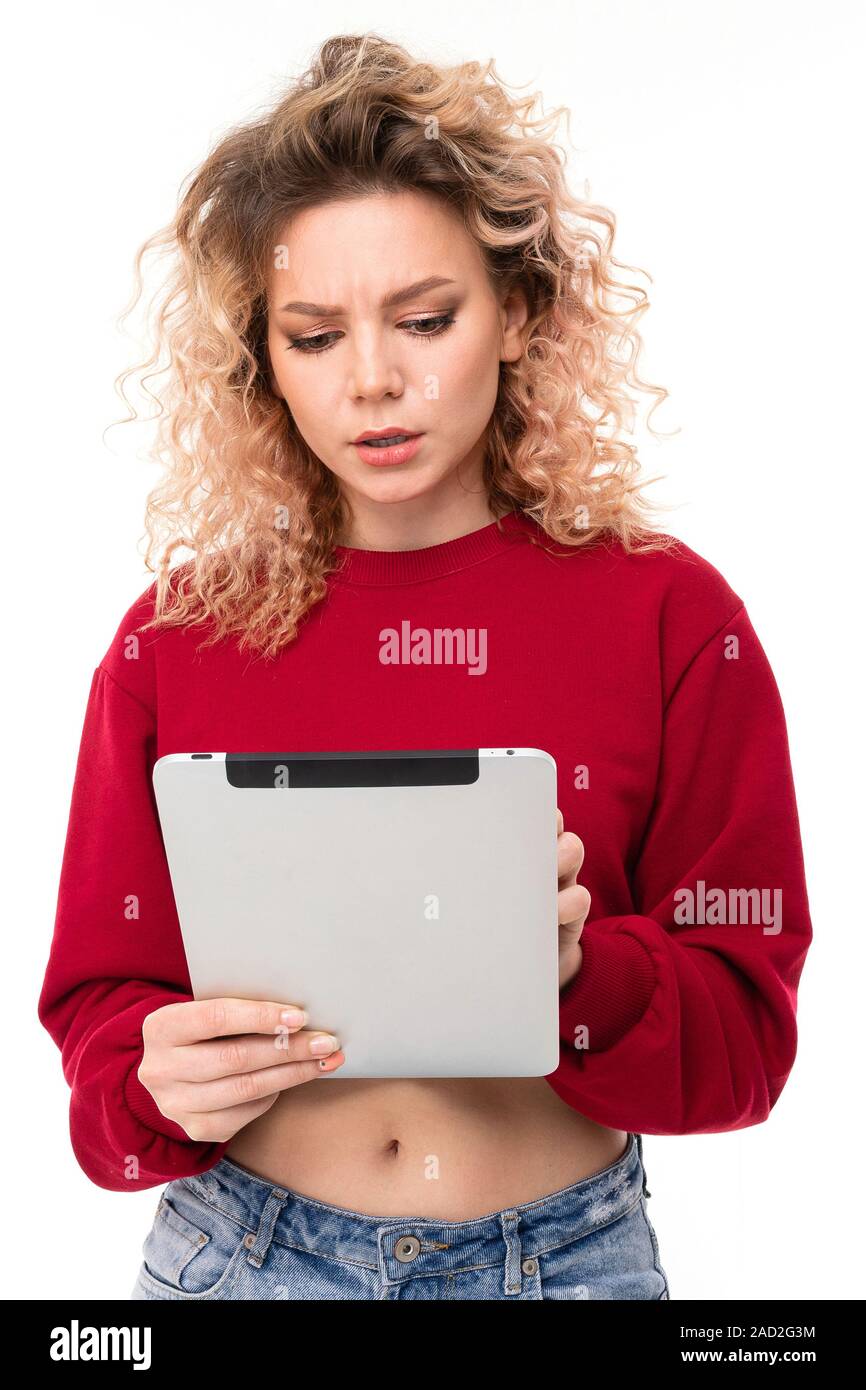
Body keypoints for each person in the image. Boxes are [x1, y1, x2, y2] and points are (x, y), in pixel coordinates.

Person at [37, 33, 812, 1301]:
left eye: (425, 318)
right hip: (241, 1257)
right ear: (262, 364)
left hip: (562, 1266)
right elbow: (98, 1030)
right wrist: (146, 1076)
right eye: (314, 335)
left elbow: (744, 1047)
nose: (376, 383)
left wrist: (568, 973)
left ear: (515, 315)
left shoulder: (671, 616)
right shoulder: (170, 641)